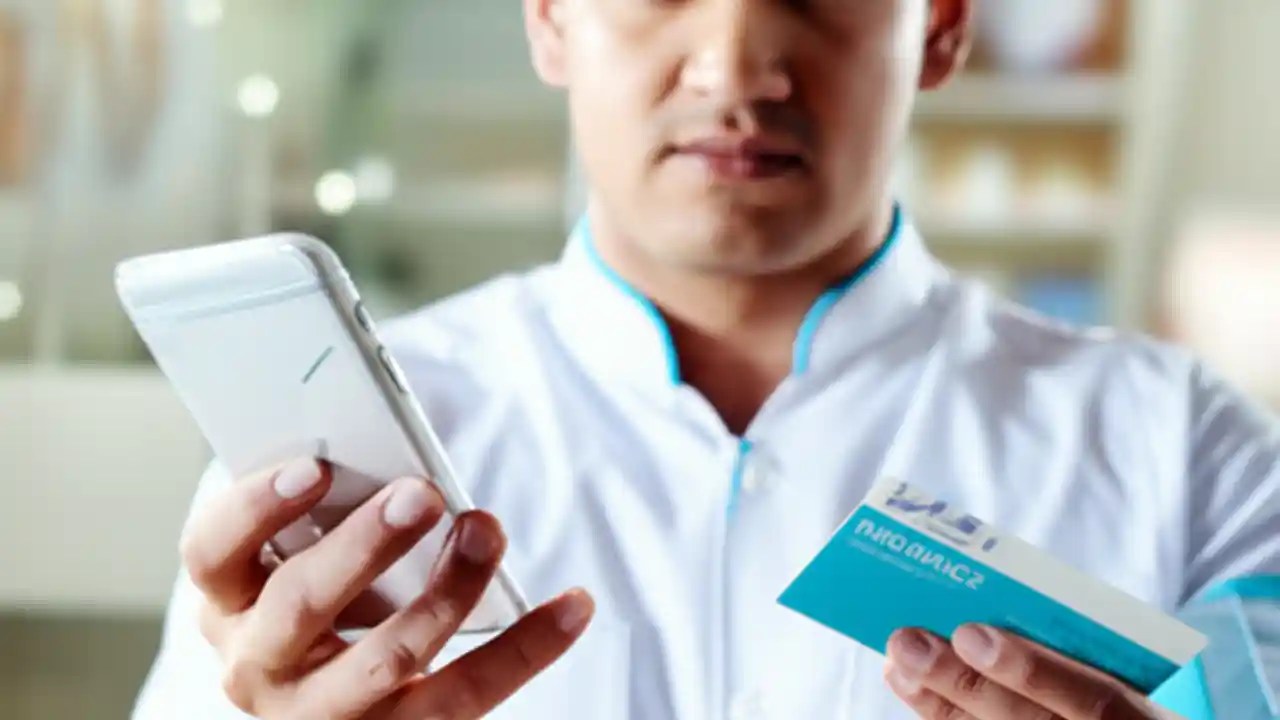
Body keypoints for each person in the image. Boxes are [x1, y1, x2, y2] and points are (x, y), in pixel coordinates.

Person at [133, 0, 1280, 718]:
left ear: (936, 26)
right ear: (548, 19)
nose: (734, 68)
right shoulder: (326, 477)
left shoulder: (1189, 451)